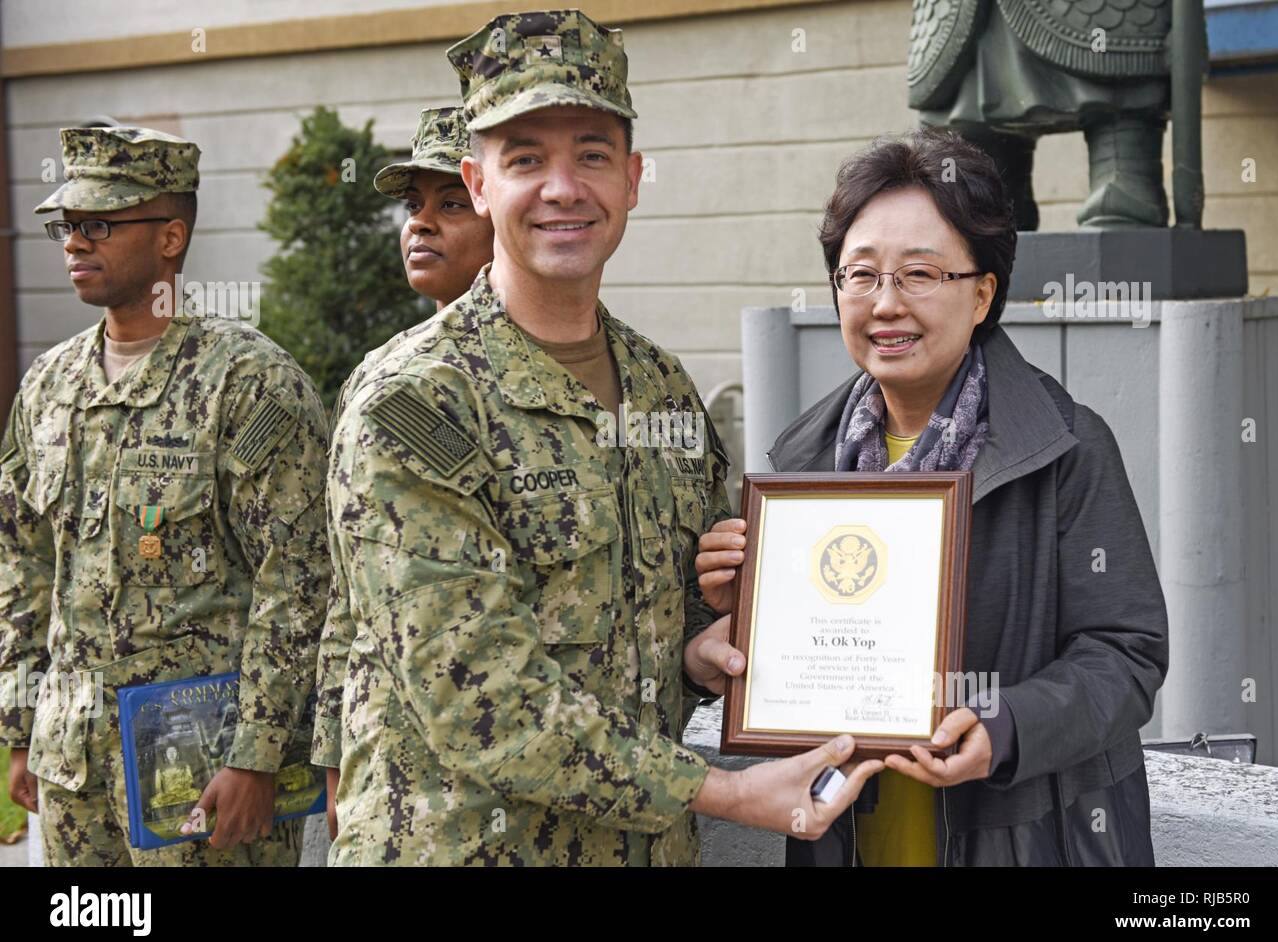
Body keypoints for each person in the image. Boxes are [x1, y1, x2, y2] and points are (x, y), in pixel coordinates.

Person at [326, 8, 882, 865]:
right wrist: (730, 793)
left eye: (590, 155)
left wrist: (701, 650)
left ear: (631, 177)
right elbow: (480, 699)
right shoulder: (415, 404)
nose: (563, 188)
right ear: (478, 183)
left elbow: (654, 630)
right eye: (525, 160)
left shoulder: (661, 388)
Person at [695, 127, 1169, 866]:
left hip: (1022, 842)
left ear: (982, 293)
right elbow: (789, 667)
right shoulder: (804, 464)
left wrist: (1006, 725)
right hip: (847, 840)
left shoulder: (1065, 447)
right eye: (860, 275)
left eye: (919, 274)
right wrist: (741, 616)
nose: (886, 303)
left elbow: (1127, 654)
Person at [0, 126, 330, 865]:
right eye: (68, 225)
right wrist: (21, 726)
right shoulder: (50, 386)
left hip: (206, 768)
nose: (75, 242)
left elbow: (298, 581)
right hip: (73, 764)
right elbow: (22, 564)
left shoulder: (248, 383)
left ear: (171, 237)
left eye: (100, 224)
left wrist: (256, 755)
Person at [311, 105, 495, 838]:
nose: (419, 223)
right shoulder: (384, 378)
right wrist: (333, 750)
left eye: (450, 204)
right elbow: (346, 590)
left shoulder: (614, 378)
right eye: (413, 205)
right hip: (404, 796)